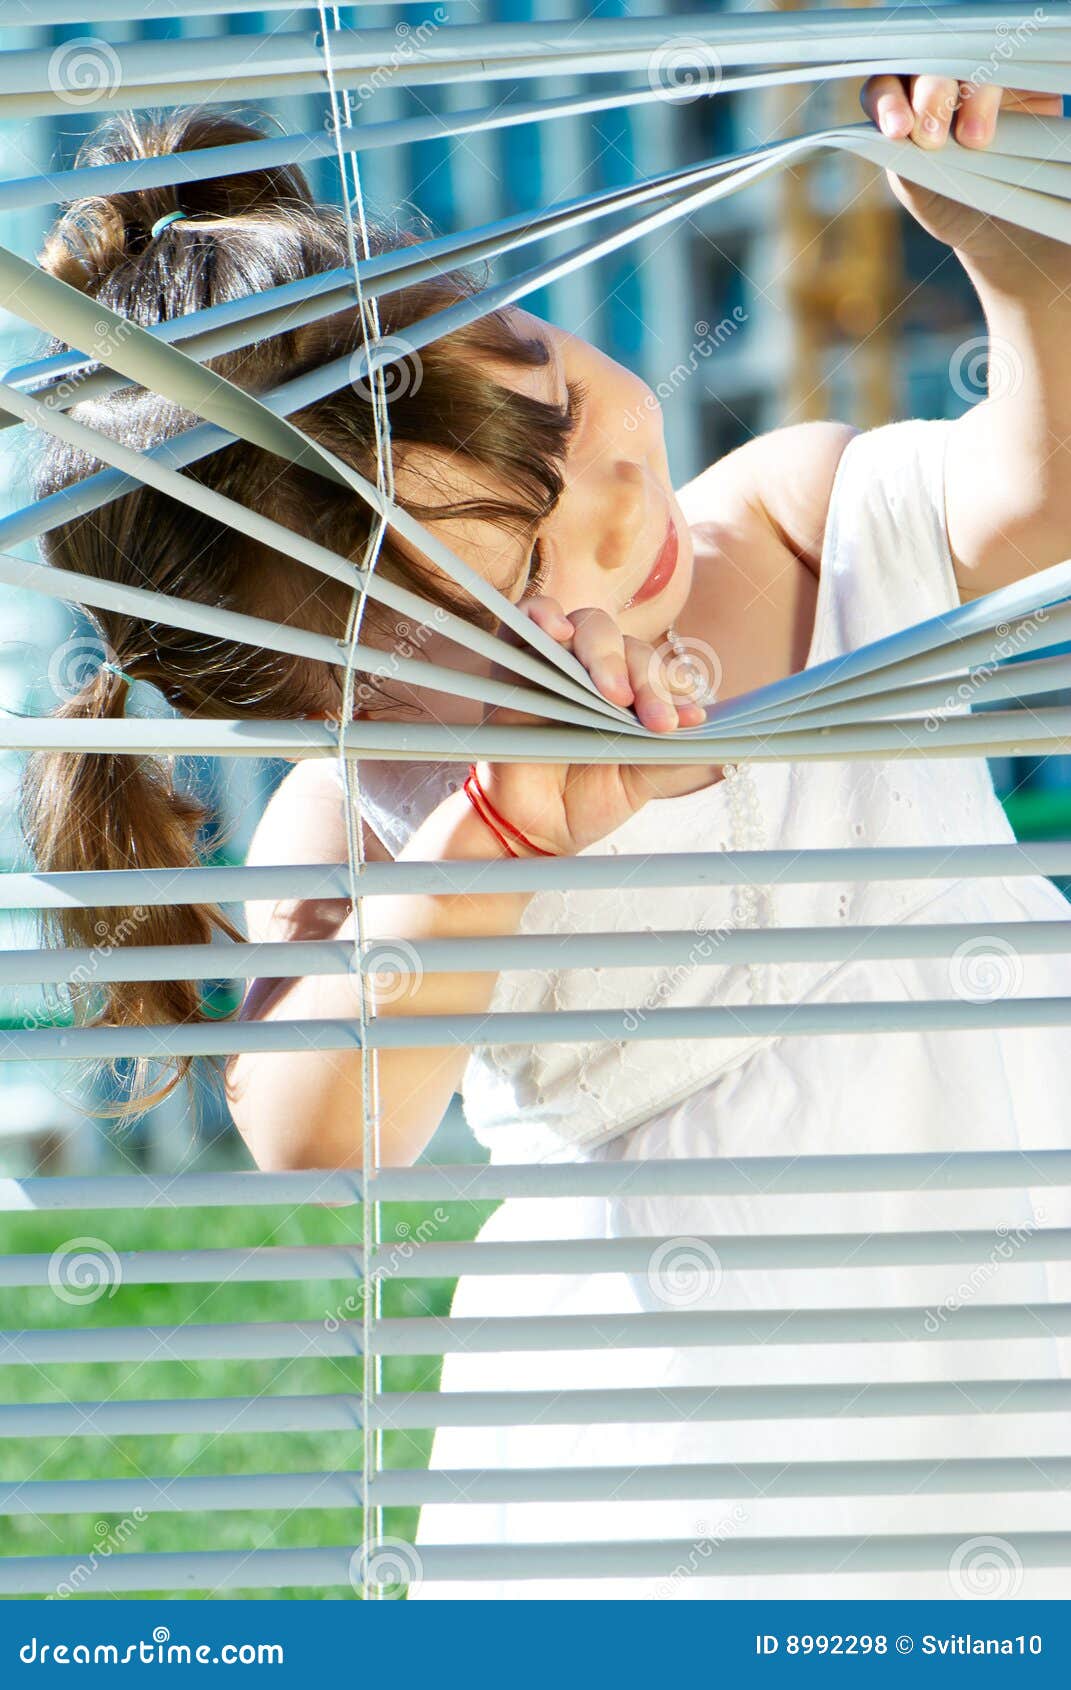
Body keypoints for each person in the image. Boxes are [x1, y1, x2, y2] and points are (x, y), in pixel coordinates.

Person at [21, 78, 1071, 1598]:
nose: (615, 497)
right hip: (714, 1480)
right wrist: (489, 855)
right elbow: (320, 1132)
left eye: (556, 398)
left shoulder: (782, 521)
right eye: (520, 569)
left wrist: (1020, 262)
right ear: (347, 707)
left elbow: (1042, 486)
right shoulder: (380, 816)